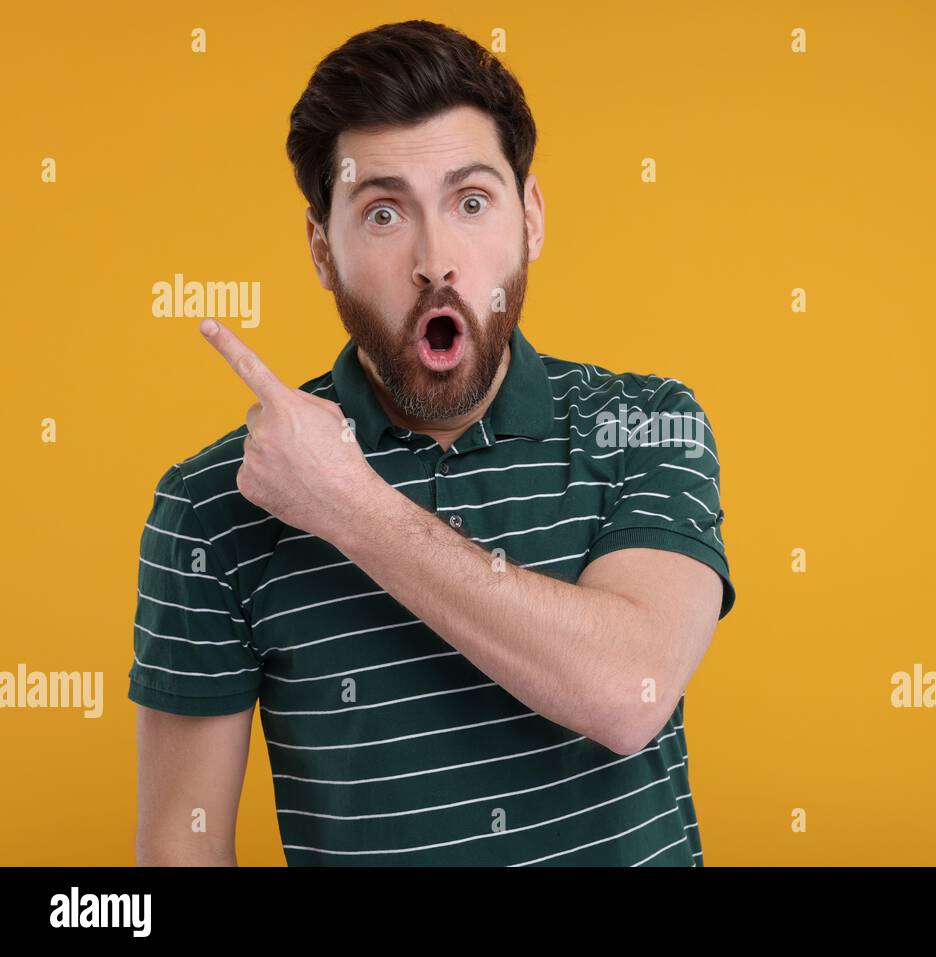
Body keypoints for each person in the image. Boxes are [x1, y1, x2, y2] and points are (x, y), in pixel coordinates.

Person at [130, 19, 734, 866]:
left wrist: (347, 504)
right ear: (321, 250)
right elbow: (177, 850)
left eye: (472, 202)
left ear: (530, 221)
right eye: (382, 213)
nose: (435, 259)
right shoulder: (214, 503)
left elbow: (627, 694)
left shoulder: (647, 423)